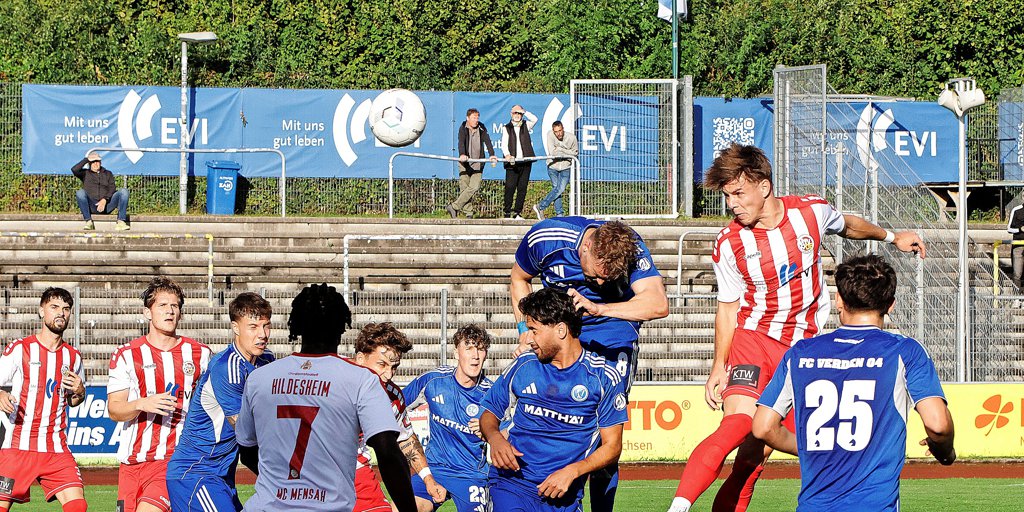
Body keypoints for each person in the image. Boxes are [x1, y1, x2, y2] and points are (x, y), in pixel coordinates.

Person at [669, 143, 927, 512]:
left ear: (764, 185)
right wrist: (717, 367)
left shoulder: (811, 212)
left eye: (738, 193)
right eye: (727, 197)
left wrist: (890, 237)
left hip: (802, 352)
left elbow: (849, 225)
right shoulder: (728, 243)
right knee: (739, 423)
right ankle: (677, 507)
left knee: (751, 462)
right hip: (754, 340)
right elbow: (728, 308)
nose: (732, 204)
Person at [752, 254, 955, 510]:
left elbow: (762, 427)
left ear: (838, 299)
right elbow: (937, 425)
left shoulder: (801, 352)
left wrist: (815, 448)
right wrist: (945, 452)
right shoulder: (905, 351)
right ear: (890, 304)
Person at [511, 216, 667, 512]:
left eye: (606, 280)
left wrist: (600, 307)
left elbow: (658, 303)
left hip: (613, 334)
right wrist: (524, 331)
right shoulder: (546, 238)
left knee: (604, 435)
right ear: (586, 247)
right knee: (550, 419)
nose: (598, 283)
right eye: (595, 275)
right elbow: (519, 279)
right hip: (561, 333)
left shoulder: (629, 245)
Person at [234, 283, 416, 512]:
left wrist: (286, 484)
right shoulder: (361, 380)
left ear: (296, 325)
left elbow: (247, 448)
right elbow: (387, 451)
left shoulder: (259, 378)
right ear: (343, 326)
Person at [479, 288, 628, 512]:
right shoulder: (524, 366)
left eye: (533, 330)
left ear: (560, 330)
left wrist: (573, 471)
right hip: (511, 484)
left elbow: (613, 446)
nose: (528, 339)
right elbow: (489, 411)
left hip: (563, 495)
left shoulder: (603, 377)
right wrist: (495, 438)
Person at [107, 277, 212, 512]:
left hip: (173, 461)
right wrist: (143, 403)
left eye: (175, 306)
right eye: (163, 305)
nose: (170, 311)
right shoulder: (126, 355)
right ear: (148, 312)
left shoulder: (200, 354)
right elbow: (115, 409)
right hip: (131, 464)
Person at [167, 292, 276, 512]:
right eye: (253, 327)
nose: (262, 334)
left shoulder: (266, 361)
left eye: (266, 326)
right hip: (195, 473)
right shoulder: (228, 367)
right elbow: (243, 429)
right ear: (236, 328)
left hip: (221, 475)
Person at [0, 287, 88, 512]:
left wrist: (80, 392)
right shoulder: (20, 349)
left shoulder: (73, 357)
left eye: (67, 309)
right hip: (18, 446)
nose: (61, 313)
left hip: (55, 448)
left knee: (78, 506)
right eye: (55, 307)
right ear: (41, 311)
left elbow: (73, 401)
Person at [349, 322, 444, 512]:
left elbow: (406, 439)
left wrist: (427, 478)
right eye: (382, 364)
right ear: (360, 359)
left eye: (394, 367)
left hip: (356, 470)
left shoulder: (393, 397)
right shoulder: (334, 380)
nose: (388, 374)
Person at [402, 324, 493, 512]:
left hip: (471, 474)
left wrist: (491, 431)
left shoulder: (492, 393)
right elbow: (396, 407)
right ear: (455, 353)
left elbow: (510, 433)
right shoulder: (433, 381)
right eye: (468, 348)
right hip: (435, 469)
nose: (475, 355)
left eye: (481, 348)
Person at [448, 109, 498, 219]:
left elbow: (488, 141)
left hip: (478, 163)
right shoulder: (463, 128)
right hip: (464, 163)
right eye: (474, 118)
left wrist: (492, 154)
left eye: (477, 118)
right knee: (464, 188)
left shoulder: (482, 127)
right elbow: (461, 142)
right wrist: (462, 154)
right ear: (468, 118)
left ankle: (454, 207)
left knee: (474, 187)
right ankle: (469, 213)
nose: (476, 120)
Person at [71, 151, 130, 231]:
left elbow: (112, 188)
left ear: (101, 162)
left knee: (124, 191)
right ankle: (88, 221)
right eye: (93, 162)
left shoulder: (108, 173)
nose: (96, 164)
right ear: (89, 163)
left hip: (107, 205)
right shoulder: (85, 173)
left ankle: (121, 221)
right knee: (80, 193)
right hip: (92, 205)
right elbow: (74, 170)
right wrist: (86, 159)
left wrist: (105, 199)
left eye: (97, 161)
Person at [534, 121, 578, 220]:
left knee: (560, 189)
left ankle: (541, 206)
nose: (558, 134)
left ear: (563, 129)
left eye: (560, 131)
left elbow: (575, 152)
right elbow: (552, 152)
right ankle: (560, 214)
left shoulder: (571, 138)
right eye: (556, 132)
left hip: (565, 167)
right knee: (556, 189)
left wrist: (561, 150)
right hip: (552, 166)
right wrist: (566, 152)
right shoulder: (550, 135)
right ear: (553, 131)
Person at [500, 105, 538, 219]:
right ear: (511, 114)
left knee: (522, 188)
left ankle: (517, 212)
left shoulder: (526, 125)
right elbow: (504, 143)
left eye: (519, 113)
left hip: (525, 162)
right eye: (515, 113)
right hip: (512, 162)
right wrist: (507, 154)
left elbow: (535, 119)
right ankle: (507, 212)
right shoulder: (506, 128)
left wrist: (524, 111)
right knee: (510, 187)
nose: (517, 115)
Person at [1007, 202, 1024, 288]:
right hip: (1018, 246)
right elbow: (1009, 228)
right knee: (1017, 273)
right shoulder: (1016, 210)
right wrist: (1020, 229)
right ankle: (1016, 299)